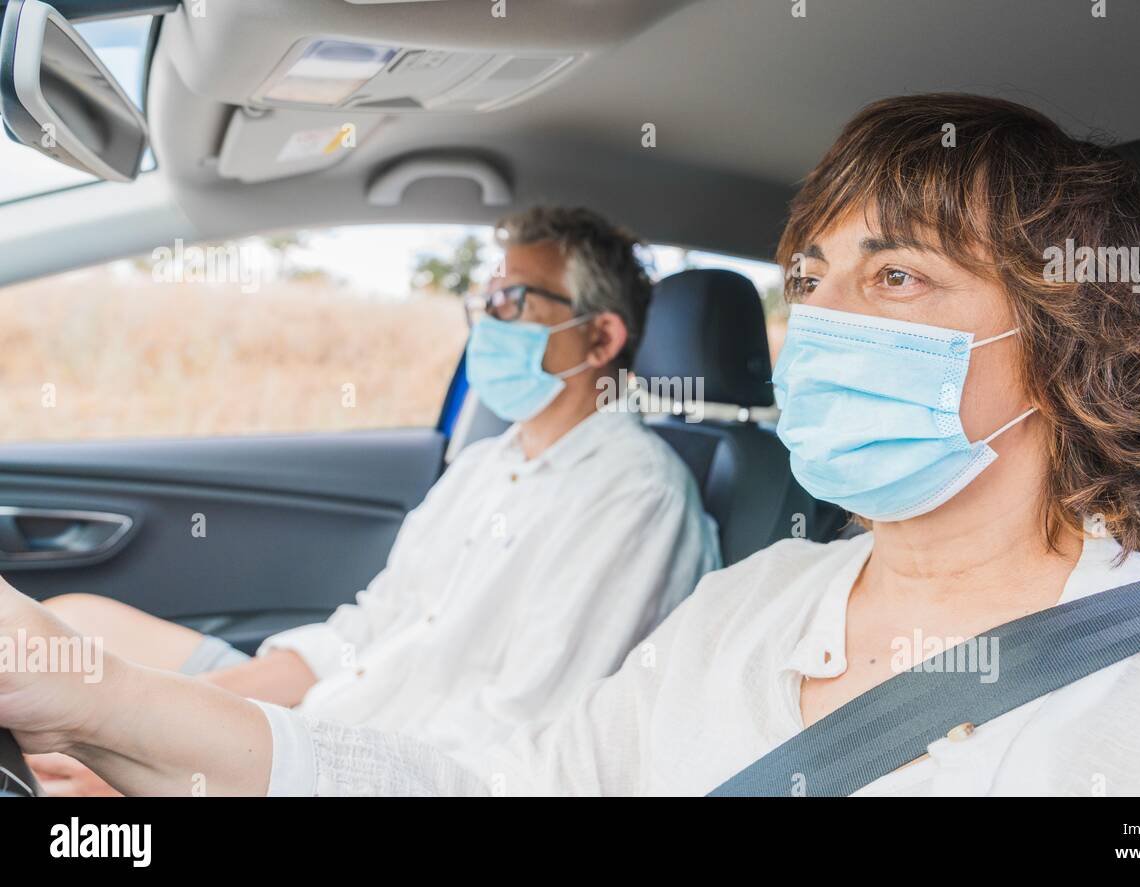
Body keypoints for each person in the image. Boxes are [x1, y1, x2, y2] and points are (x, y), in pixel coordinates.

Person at [3, 94, 1140, 796]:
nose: (826, 317)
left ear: (1073, 349)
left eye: (897, 277)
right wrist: (107, 709)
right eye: (812, 273)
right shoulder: (753, 604)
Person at [15, 206, 720, 796]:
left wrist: (182, 759)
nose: (489, 322)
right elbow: (372, 622)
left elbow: (513, 741)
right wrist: (209, 705)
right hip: (340, 707)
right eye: (487, 300)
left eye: (515, 301)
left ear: (600, 336)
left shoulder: (636, 498)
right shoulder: (486, 463)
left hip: (383, 766)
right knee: (71, 623)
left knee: (71, 764)